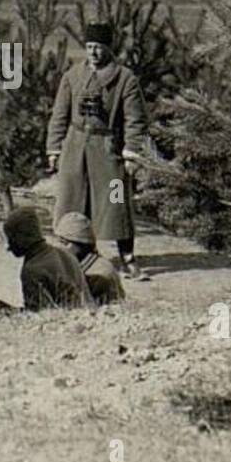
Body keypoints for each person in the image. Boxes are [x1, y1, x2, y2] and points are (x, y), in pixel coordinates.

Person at [46, 21, 151, 281]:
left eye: (98, 47)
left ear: (108, 49)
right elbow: (59, 114)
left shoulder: (125, 79)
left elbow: (135, 119)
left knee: (116, 202)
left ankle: (127, 258)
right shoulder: (72, 76)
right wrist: (54, 147)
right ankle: (75, 256)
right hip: (75, 147)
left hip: (108, 150)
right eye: (89, 46)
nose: (93, 52)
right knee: (72, 200)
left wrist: (131, 152)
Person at [1, 205, 92, 310]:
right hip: (87, 315)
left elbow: (40, 316)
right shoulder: (65, 253)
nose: (9, 247)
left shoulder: (32, 270)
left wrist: (6, 310)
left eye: (11, 239)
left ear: (21, 239)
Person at [54, 211, 124, 305]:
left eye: (64, 243)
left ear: (82, 244)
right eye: (58, 241)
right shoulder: (75, 262)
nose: (58, 246)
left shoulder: (100, 273)